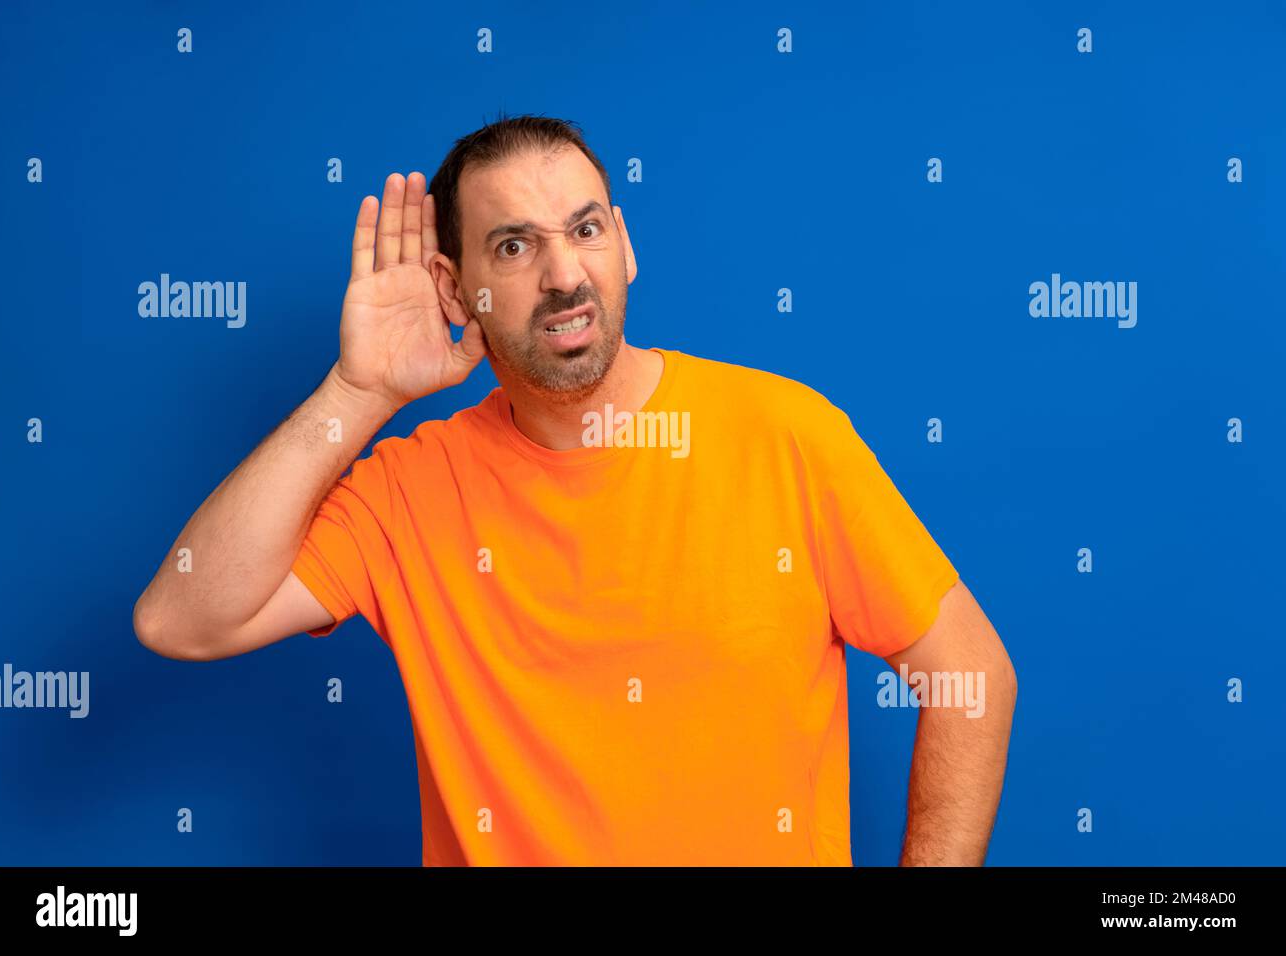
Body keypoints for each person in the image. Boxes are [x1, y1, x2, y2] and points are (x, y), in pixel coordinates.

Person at [133, 114, 1017, 866]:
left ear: (625, 246)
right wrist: (358, 395)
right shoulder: (410, 490)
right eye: (514, 246)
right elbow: (183, 618)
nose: (564, 275)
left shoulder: (787, 435)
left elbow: (969, 672)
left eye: (585, 229)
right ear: (457, 288)